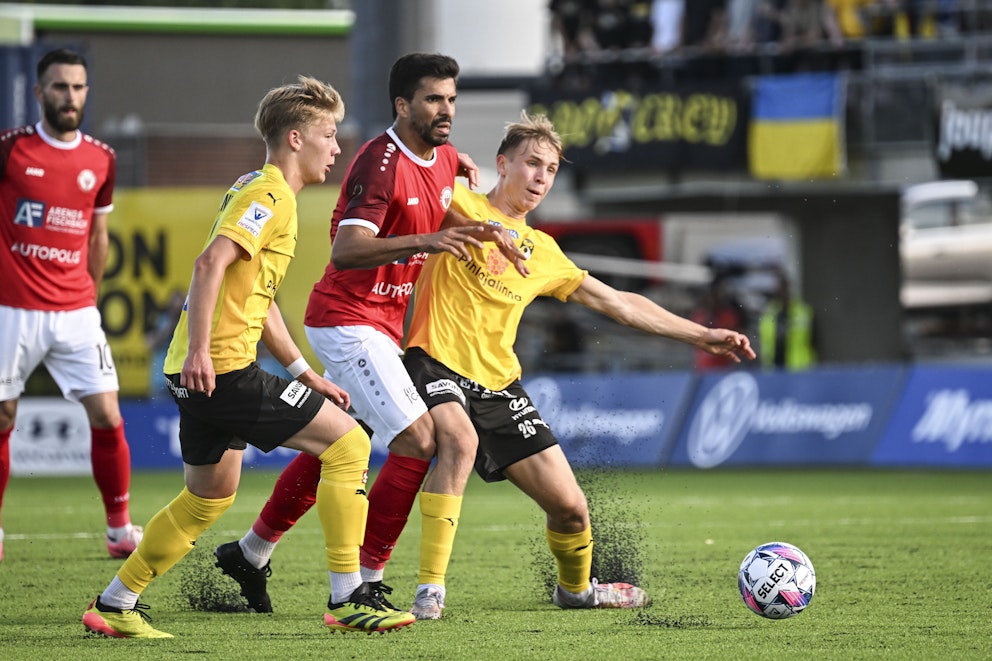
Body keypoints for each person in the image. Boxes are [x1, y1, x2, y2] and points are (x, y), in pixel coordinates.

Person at [216, 111, 756, 620]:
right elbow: (411, 172)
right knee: (452, 440)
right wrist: (444, 154)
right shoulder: (458, 203)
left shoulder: (543, 251)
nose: (540, 177)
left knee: (570, 510)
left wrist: (702, 334)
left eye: (550, 169)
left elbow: (619, 303)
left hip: (499, 386)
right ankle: (424, 590)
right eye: (531, 163)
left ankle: (576, 592)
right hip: (428, 362)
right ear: (503, 163)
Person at [81, 75, 416, 639]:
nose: (336, 148)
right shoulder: (270, 196)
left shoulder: (260, 189)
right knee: (349, 443)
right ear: (294, 138)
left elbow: (260, 301)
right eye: (328, 134)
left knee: (207, 498)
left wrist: (304, 372)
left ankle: (115, 603)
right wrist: (203, 351)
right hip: (223, 369)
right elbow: (209, 264)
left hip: (201, 370)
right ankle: (349, 596)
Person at [212, 52, 520, 620]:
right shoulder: (380, 163)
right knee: (418, 439)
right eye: (433, 99)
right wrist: (427, 241)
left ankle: (251, 552)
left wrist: (484, 228)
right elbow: (347, 250)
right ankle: (365, 581)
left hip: (378, 324)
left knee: (339, 438)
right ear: (402, 105)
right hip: (347, 319)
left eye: (451, 99)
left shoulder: (444, 156)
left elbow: (437, 199)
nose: (446, 109)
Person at [0, 48, 142, 563]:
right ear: (40, 93)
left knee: (107, 413)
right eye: (60, 87)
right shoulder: (11, 149)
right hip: (12, 308)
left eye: (78, 87)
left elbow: (98, 236)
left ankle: (119, 529)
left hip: (77, 311)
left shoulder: (102, 158)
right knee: (3, 416)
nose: (70, 96)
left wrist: (90, 298)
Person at [758, 266, 816, 370]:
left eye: (784, 287)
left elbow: (815, 341)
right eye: (779, 289)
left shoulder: (803, 312)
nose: (782, 292)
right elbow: (765, 343)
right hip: (773, 368)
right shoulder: (769, 314)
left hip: (799, 368)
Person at [690, 270, 749, 370]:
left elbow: (735, 338)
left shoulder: (728, 315)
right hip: (703, 368)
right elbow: (696, 335)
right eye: (715, 293)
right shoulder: (701, 314)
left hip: (723, 369)